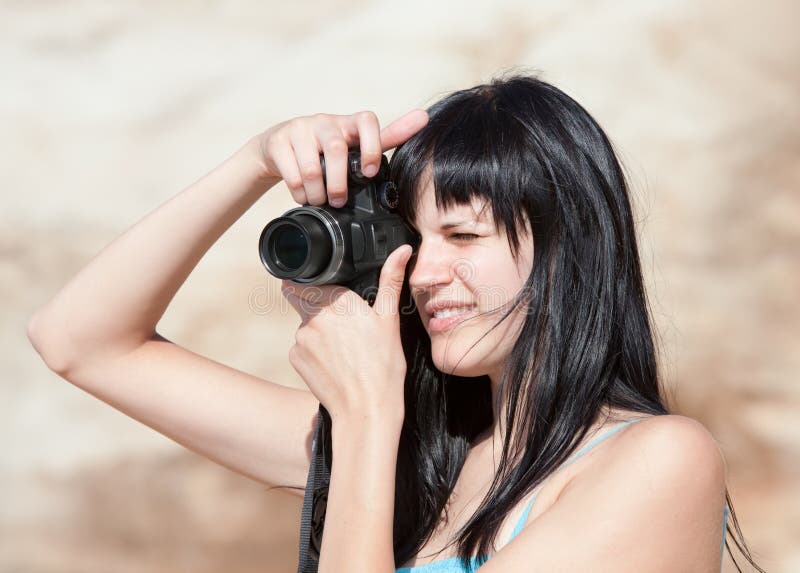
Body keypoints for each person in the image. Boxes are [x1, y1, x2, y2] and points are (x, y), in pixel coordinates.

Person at [27, 72, 763, 573]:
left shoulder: (660, 459)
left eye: (465, 236)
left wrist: (368, 414)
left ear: (569, 249)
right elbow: (79, 340)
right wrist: (255, 161)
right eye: (415, 240)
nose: (424, 271)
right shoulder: (415, 454)